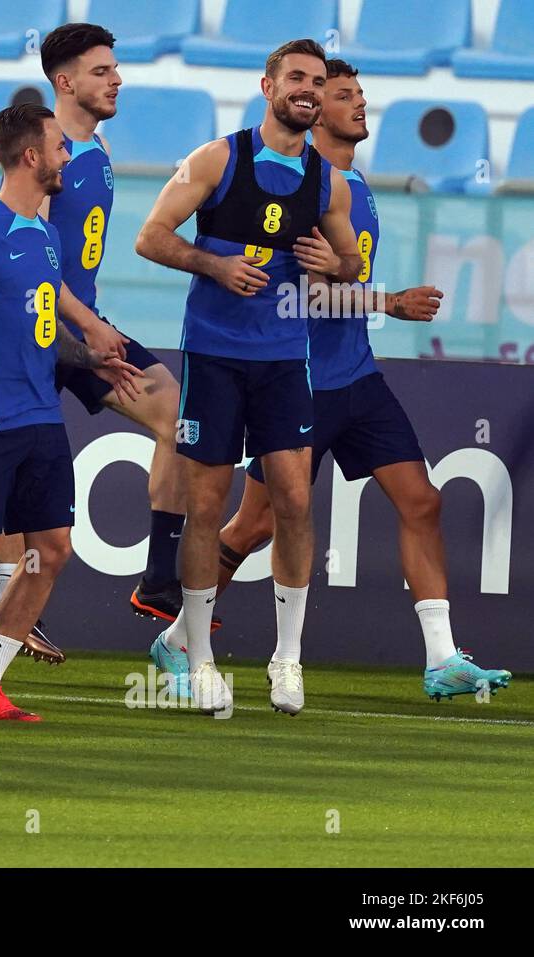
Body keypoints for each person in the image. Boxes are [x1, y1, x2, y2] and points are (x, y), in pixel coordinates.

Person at [212, 59, 511, 703]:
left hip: (357, 376)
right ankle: (180, 633)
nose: (358, 104)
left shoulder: (358, 186)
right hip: (301, 380)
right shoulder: (301, 190)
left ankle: (441, 659)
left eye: (356, 93)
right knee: (255, 526)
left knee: (422, 501)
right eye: (342, 95)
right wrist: (391, 302)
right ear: (314, 111)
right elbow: (309, 299)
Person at [135, 39, 362, 714]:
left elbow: (350, 266)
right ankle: (197, 656)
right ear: (268, 86)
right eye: (296, 78)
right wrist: (215, 267)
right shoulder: (219, 159)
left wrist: (333, 260)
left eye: (318, 82)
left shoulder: (328, 181)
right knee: (206, 507)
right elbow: (150, 236)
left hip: (285, 361)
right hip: (213, 355)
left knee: (293, 501)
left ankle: (286, 658)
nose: (308, 89)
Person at [0, 103, 140, 721]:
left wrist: (90, 356)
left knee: (52, 551)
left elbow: (43, 316)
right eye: (60, 147)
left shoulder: (44, 232)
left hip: (42, 414)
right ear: (32, 156)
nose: (69, 157)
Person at [38, 23, 195, 628]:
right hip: (40, 336)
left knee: (178, 419)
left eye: (115, 69)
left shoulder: (96, 149)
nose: (117, 80)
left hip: (82, 331)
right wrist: (82, 332)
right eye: (102, 71)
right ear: (65, 80)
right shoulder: (45, 155)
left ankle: (158, 580)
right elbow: (28, 261)